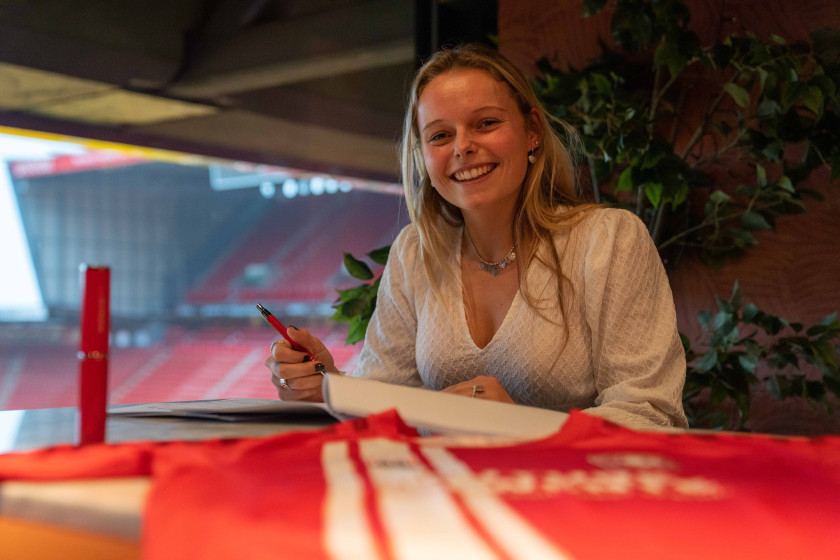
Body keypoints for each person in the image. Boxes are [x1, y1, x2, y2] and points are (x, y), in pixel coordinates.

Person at [265, 43, 688, 430]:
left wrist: (518, 426)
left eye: (486, 123)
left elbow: (650, 414)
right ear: (423, 156)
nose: (462, 147)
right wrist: (328, 384)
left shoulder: (610, 241)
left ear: (532, 131)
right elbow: (386, 402)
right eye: (440, 135)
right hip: (445, 485)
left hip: (575, 487)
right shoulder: (414, 253)